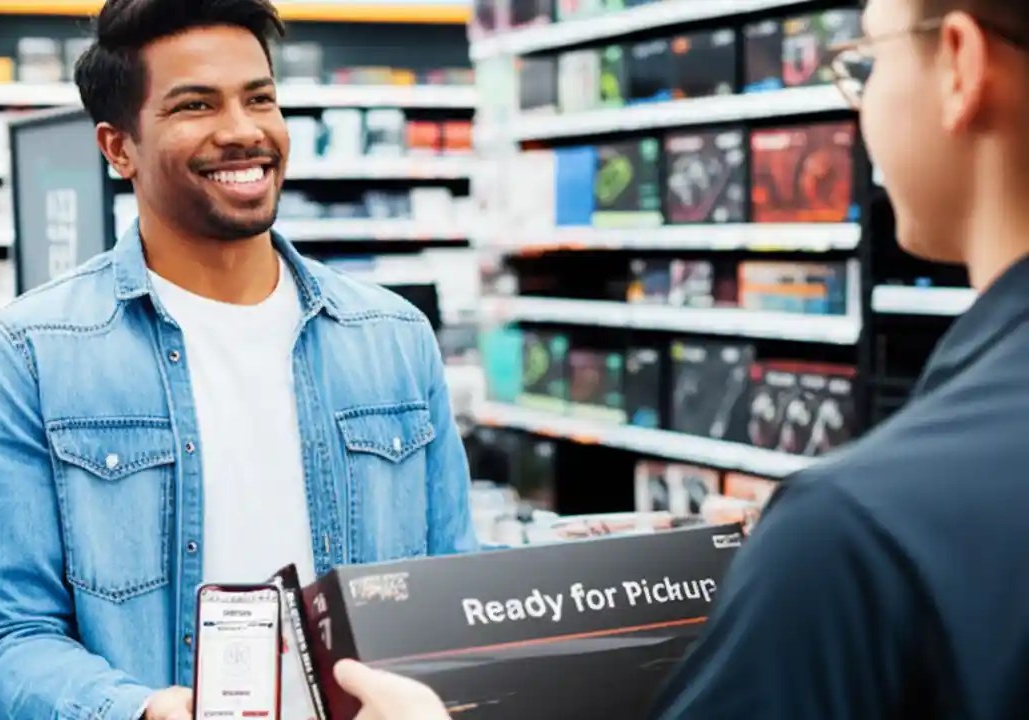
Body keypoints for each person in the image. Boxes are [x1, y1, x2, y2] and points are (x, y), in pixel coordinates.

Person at [333, 0, 1029, 717]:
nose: (860, 106)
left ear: (959, 65)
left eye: (869, 62)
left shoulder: (855, 535)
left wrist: (816, 559)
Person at [0, 0, 477, 716]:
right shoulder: (30, 354)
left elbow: (453, 587)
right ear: (117, 146)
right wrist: (141, 710)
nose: (242, 131)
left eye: (259, 98)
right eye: (195, 106)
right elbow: (9, 635)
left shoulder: (392, 335)